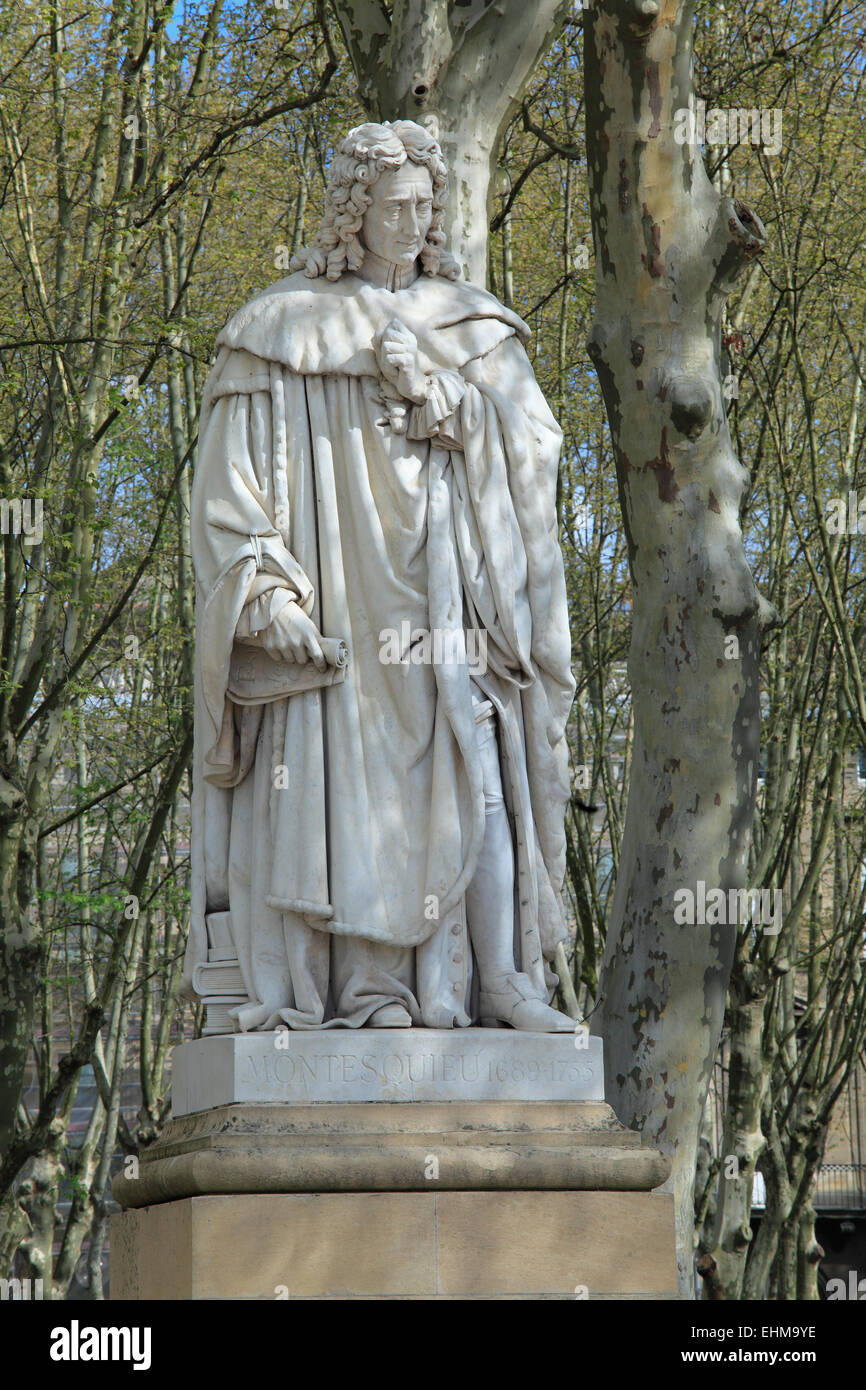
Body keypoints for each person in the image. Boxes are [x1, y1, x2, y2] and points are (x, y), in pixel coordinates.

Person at [181, 120, 575, 1031]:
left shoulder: (472, 328)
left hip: (458, 593)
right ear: (354, 212)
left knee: (480, 772)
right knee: (344, 796)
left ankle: (497, 982)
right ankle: (370, 992)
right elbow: (224, 489)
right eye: (393, 205)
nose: (411, 221)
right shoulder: (281, 329)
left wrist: (444, 400)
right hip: (344, 610)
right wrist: (264, 594)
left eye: (424, 205)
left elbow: (535, 450)